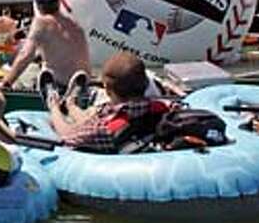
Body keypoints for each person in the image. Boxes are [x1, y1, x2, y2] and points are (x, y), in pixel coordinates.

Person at [44, 53, 173, 153]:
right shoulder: (166, 107)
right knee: (92, 115)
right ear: (146, 84)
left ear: (108, 90)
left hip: (112, 142)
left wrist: (53, 108)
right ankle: (70, 104)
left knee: (86, 119)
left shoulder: (106, 131)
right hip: (134, 124)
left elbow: (67, 135)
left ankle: (54, 101)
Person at [0, 0, 92, 93]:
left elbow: (26, 55)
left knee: (22, 80)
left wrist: (6, 83)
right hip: (83, 85)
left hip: (59, 86)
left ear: (38, 7)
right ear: (58, 3)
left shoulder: (41, 22)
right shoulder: (76, 25)